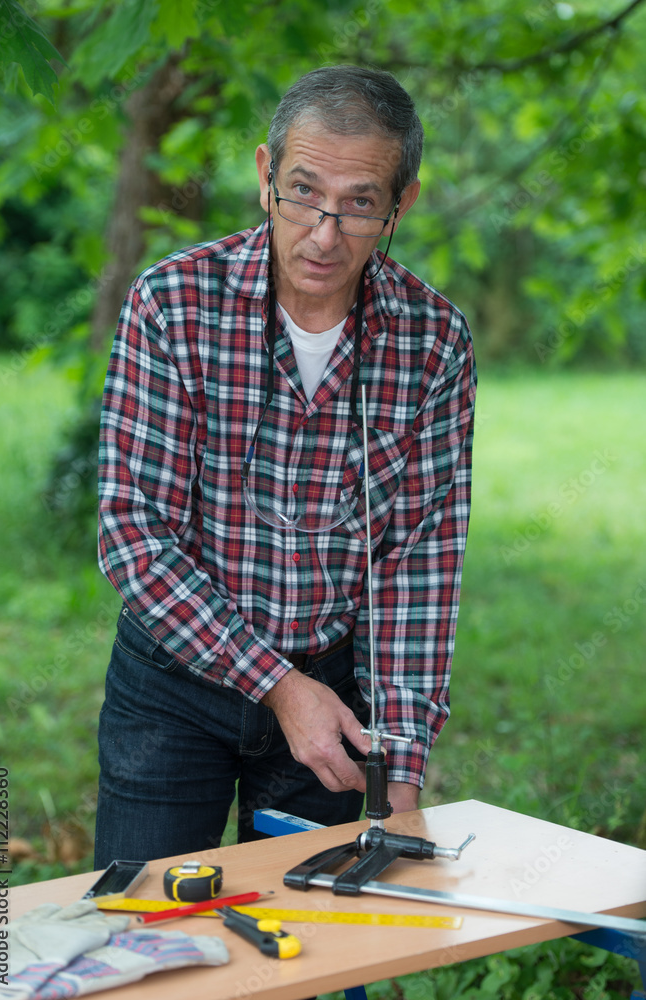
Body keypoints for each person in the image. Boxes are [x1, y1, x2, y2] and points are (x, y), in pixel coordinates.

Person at [94, 65, 476, 868]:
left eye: (359, 202)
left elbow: (418, 562)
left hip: (333, 691)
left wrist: (398, 759)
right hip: (173, 685)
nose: (324, 233)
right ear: (266, 174)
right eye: (303, 191)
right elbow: (134, 535)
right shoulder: (172, 305)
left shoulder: (434, 343)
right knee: (145, 938)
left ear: (400, 205)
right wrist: (274, 684)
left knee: (303, 959)